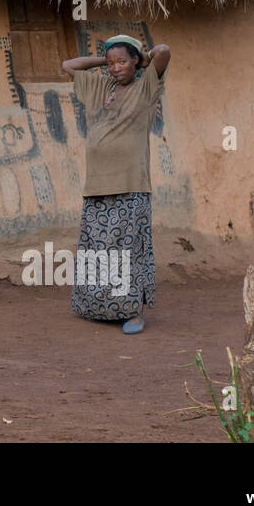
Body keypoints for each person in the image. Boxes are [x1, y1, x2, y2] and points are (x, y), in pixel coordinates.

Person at [60, 35, 171, 334]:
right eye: (112, 63)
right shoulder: (100, 87)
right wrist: (105, 59)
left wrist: (141, 59)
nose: (116, 68)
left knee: (129, 250)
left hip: (131, 184)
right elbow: (68, 65)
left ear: (135, 60)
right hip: (97, 184)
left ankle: (132, 312)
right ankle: (100, 308)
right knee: (98, 251)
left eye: (122, 61)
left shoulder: (146, 87)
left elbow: (163, 51)